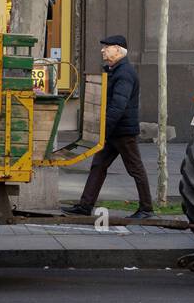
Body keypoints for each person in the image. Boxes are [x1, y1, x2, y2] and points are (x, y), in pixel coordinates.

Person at [63, 35, 154, 220]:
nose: (103, 50)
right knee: (98, 166)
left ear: (119, 50)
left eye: (107, 47)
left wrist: (103, 128)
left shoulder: (125, 73)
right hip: (113, 131)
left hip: (122, 132)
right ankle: (85, 206)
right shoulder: (115, 70)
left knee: (135, 169)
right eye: (103, 47)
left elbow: (118, 106)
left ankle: (146, 209)